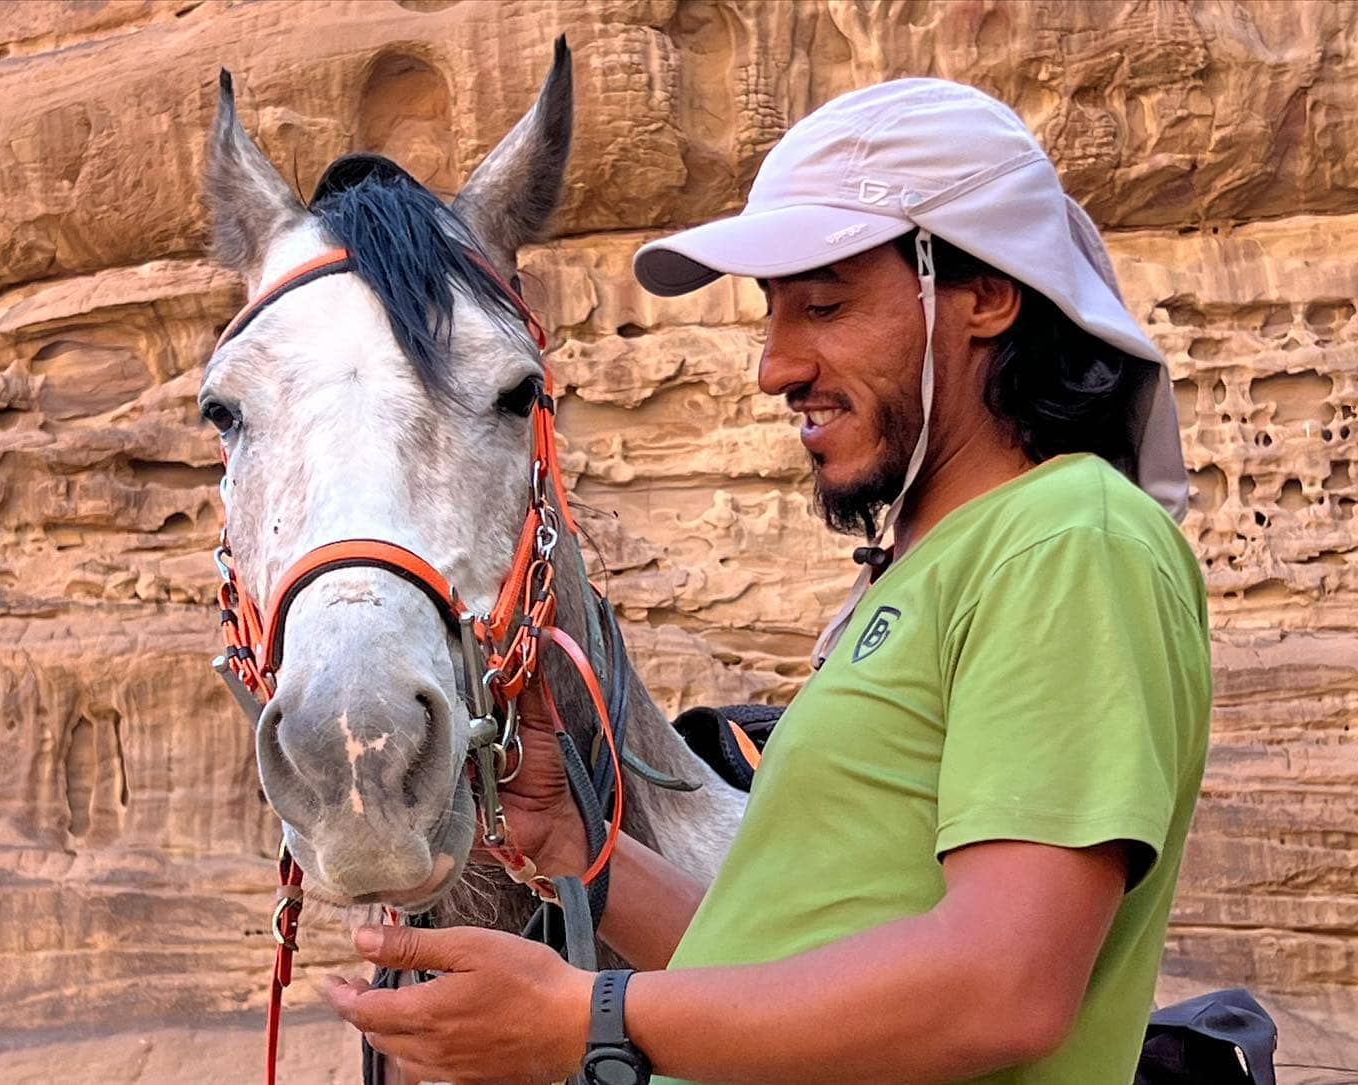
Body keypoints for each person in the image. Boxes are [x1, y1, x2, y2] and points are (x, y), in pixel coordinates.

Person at [324, 77, 1212, 1085]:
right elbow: (793, 975)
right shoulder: (935, 568)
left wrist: (587, 1015)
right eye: (773, 314)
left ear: (988, 294)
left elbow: (1001, 987)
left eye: (824, 305)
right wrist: (581, 853)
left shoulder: (1065, 541)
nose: (774, 366)